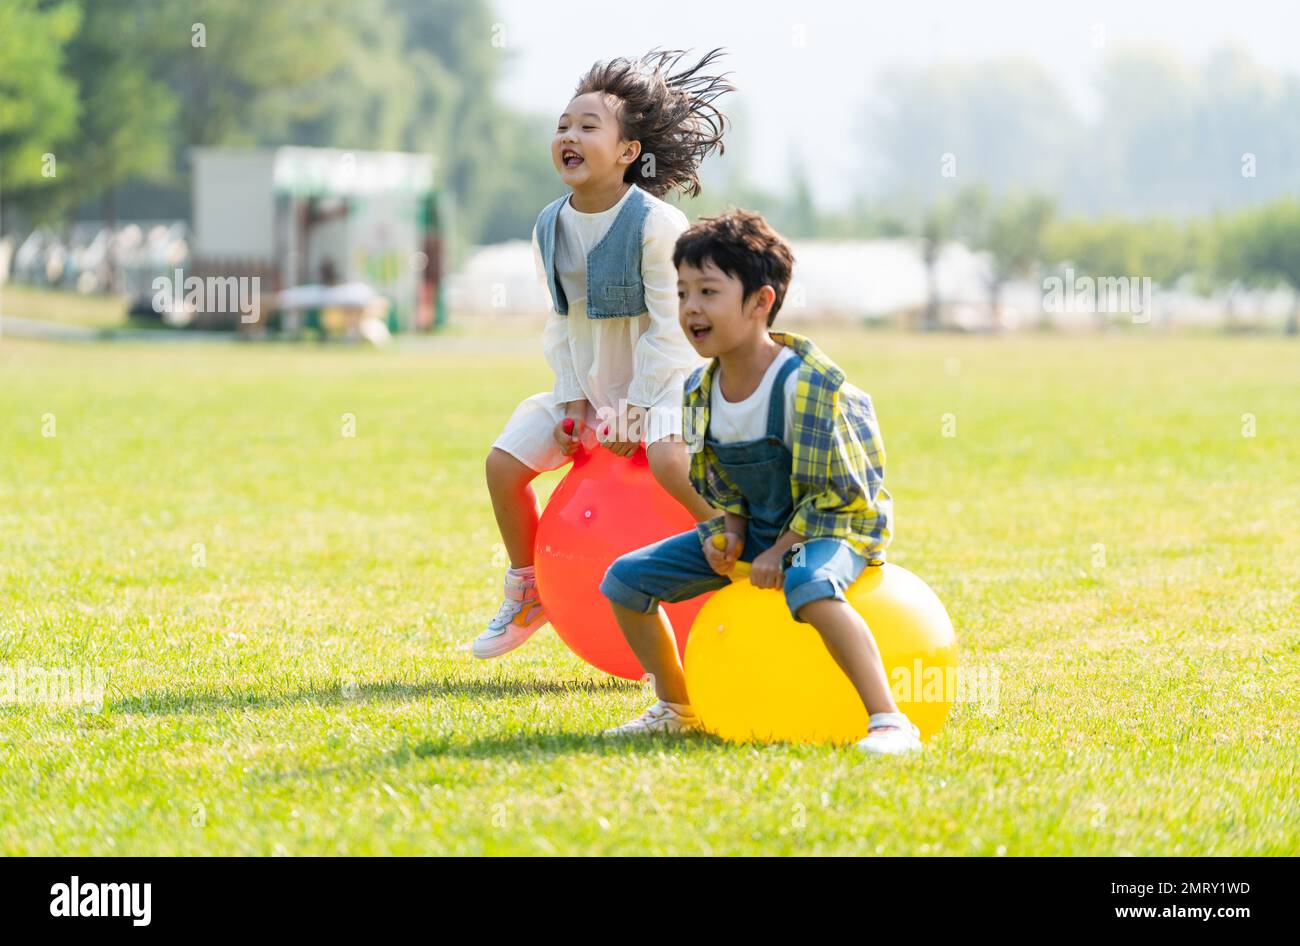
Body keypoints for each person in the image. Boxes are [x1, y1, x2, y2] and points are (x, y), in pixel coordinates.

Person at [598, 209, 922, 755]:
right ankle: (678, 706)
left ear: (760, 302)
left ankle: (889, 718)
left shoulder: (808, 387)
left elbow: (840, 493)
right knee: (625, 580)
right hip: (764, 527)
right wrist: (730, 531)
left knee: (810, 585)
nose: (690, 308)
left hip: (832, 528)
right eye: (681, 293)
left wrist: (781, 550)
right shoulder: (700, 389)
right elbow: (722, 482)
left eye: (708, 291)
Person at [475, 49, 735, 659]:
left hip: (669, 387)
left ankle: (739, 552)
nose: (569, 135)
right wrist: (571, 404)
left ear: (627, 152)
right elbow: (562, 319)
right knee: (503, 465)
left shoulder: (656, 223)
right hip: (593, 391)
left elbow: (673, 329)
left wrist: (640, 409)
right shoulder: (549, 225)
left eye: (589, 126)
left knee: (671, 465)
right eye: (563, 125)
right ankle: (529, 587)